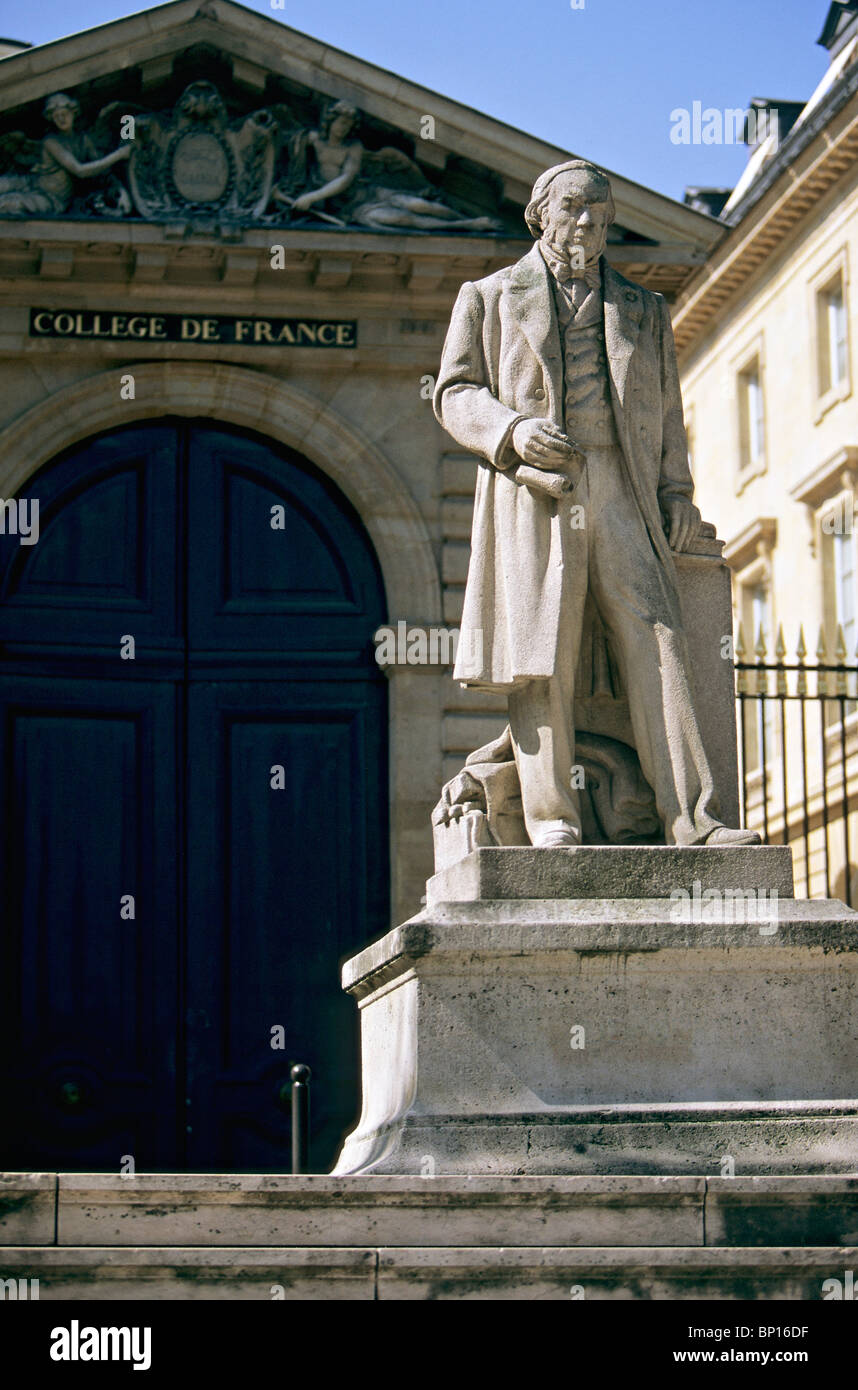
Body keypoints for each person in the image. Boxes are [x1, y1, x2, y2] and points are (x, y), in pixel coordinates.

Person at [433, 159, 760, 848]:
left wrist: (677, 491)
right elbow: (454, 393)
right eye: (575, 208)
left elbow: (668, 413)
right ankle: (552, 817)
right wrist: (514, 431)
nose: (589, 222)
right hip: (536, 488)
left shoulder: (643, 310)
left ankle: (694, 819)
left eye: (601, 213)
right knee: (541, 650)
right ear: (540, 215)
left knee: (659, 636)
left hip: (621, 486)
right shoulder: (488, 297)